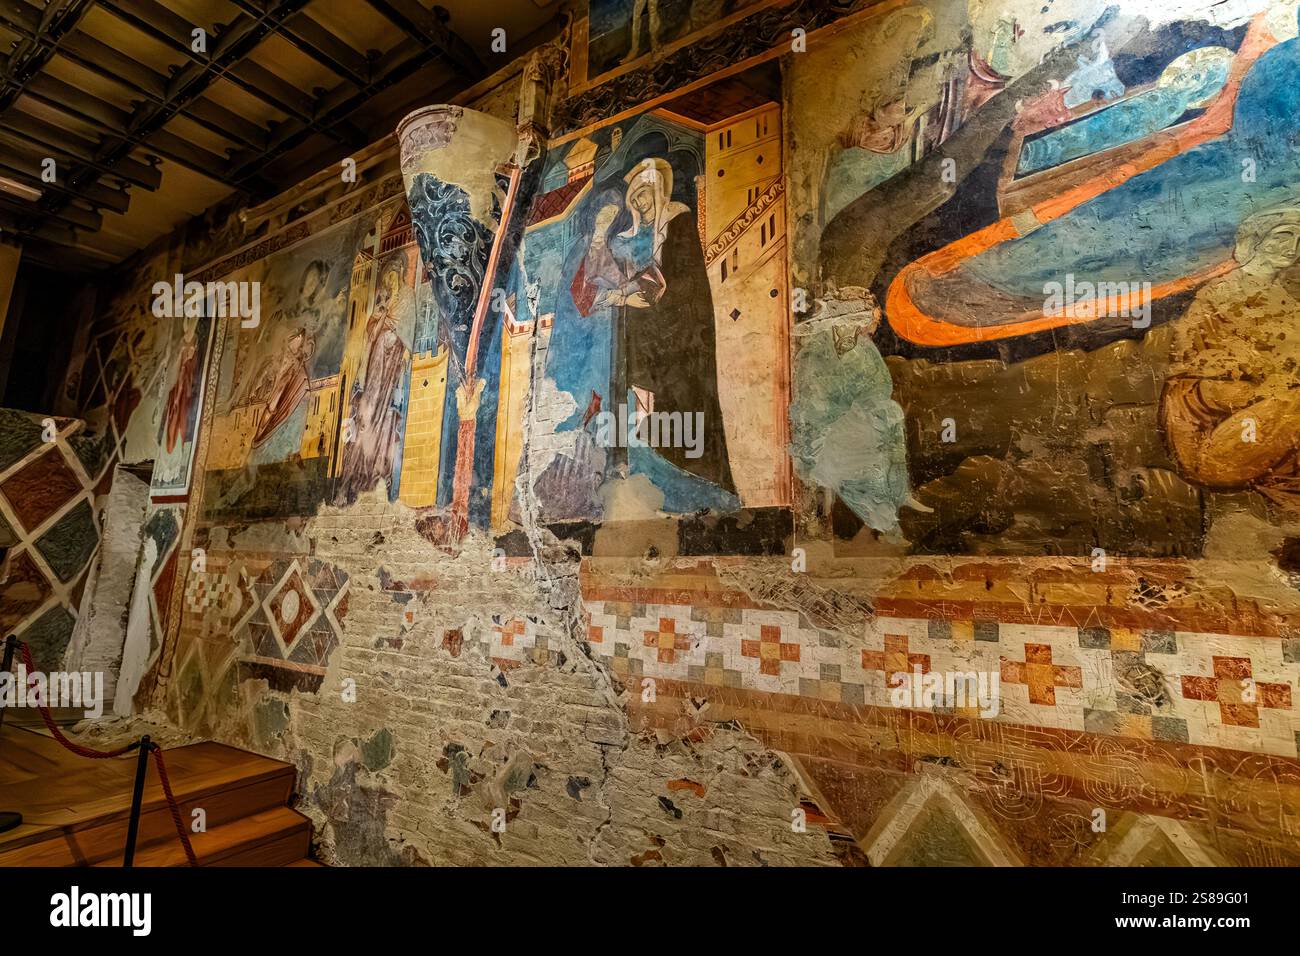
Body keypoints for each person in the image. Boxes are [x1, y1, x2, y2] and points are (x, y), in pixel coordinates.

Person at [1160, 204, 1300, 511]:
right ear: (1253, 242)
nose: (1291, 247)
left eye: (1298, 239)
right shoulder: (1220, 297)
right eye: (1283, 236)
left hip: (1268, 427)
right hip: (1212, 440)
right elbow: (1206, 390)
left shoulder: (1282, 299)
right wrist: (1267, 389)